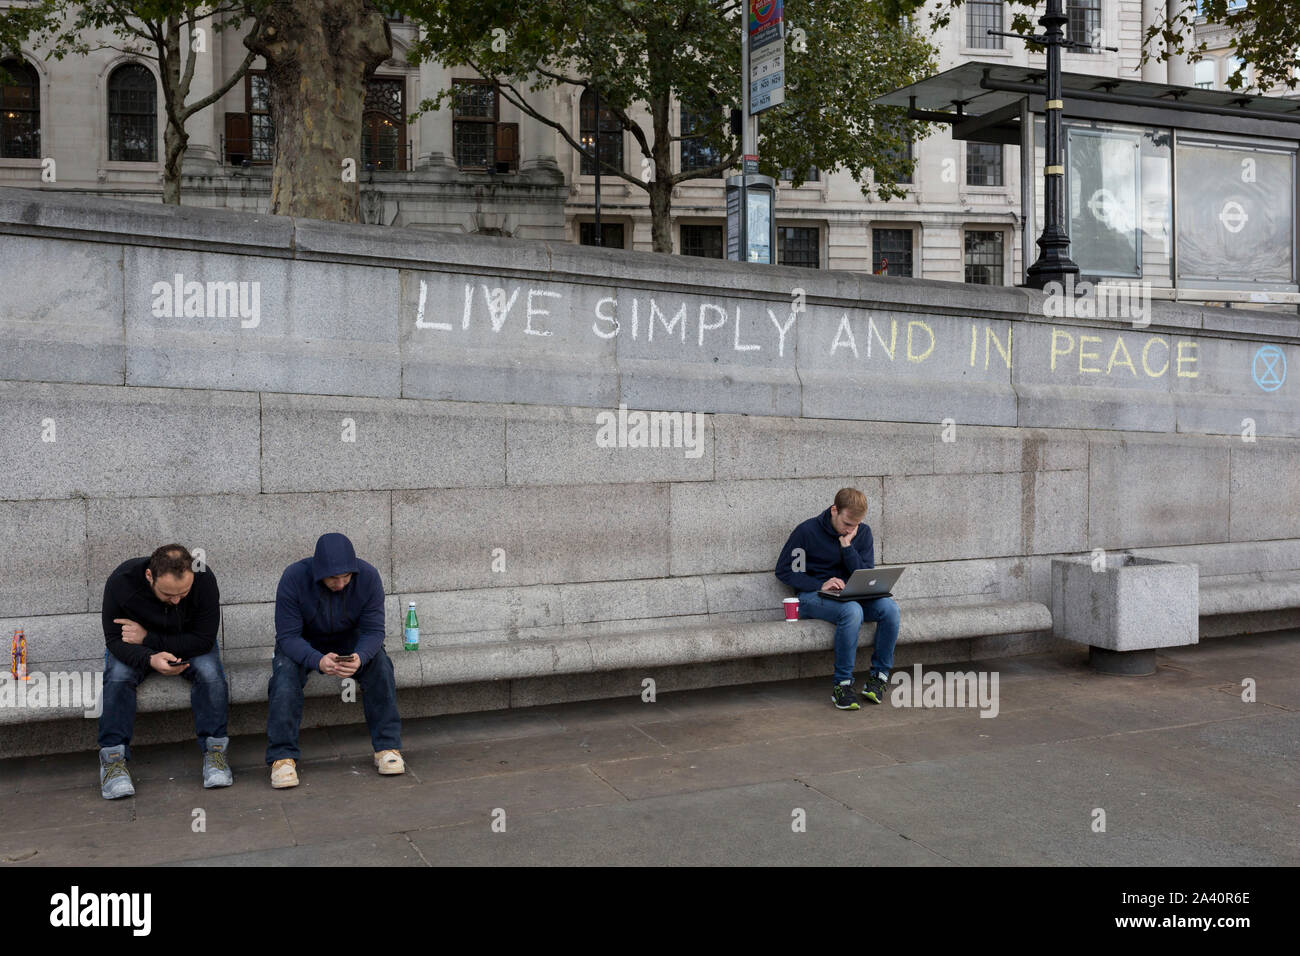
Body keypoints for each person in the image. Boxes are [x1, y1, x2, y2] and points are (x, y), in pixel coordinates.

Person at [266, 532, 404, 788]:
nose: (340, 584)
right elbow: (287, 636)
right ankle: (282, 758)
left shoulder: (369, 576)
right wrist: (315, 659)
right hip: (303, 642)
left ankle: (388, 748)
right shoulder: (294, 577)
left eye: (346, 577)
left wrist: (360, 657)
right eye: (333, 578)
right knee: (284, 675)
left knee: (381, 665)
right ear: (319, 572)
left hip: (351, 641)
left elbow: (374, 632)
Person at [98, 544, 232, 799]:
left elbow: (204, 640)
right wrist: (150, 659)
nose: (177, 600)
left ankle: (215, 753)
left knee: (210, 674)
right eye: (168, 594)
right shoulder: (121, 581)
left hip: (182, 643)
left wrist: (148, 639)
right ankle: (113, 762)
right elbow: (115, 642)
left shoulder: (204, 578)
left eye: (184, 592)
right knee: (118, 677)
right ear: (150, 576)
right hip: (134, 648)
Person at [775, 488, 901, 710]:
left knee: (889, 608)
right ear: (834, 510)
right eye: (847, 523)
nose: (851, 529)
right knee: (852, 611)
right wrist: (819, 584)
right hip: (811, 596)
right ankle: (842, 685)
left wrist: (847, 547)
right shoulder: (807, 531)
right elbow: (785, 571)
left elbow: (864, 573)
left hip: (850, 594)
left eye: (856, 525)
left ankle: (879, 678)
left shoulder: (861, 533)